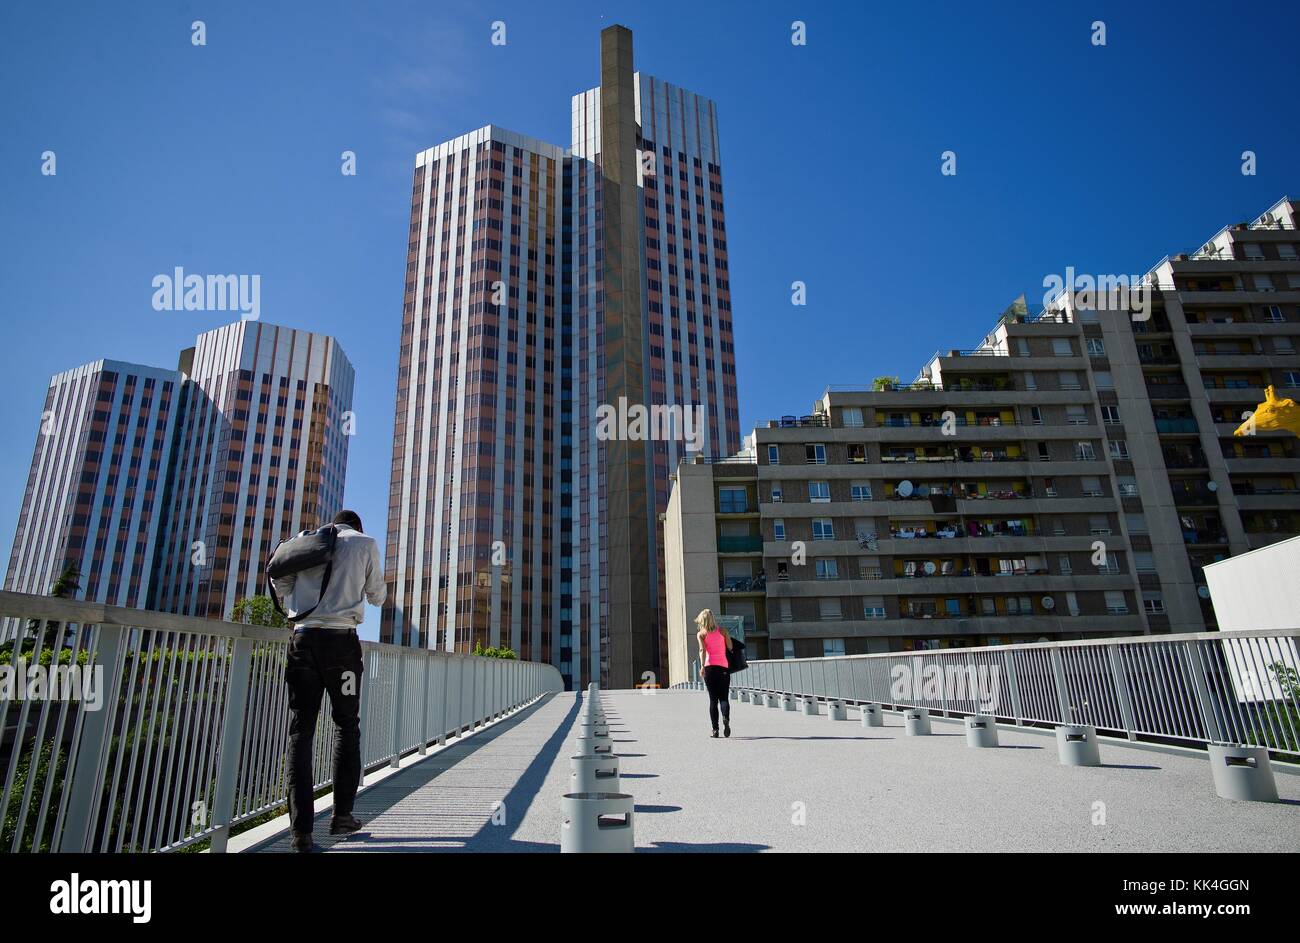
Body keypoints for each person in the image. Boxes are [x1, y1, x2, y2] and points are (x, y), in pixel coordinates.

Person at [271, 509, 386, 853]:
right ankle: (342, 816)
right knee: (347, 725)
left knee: (300, 730)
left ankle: (301, 832)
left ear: (333, 525)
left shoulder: (305, 543)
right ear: (357, 526)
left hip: (302, 642)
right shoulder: (365, 544)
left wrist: (301, 601)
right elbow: (377, 595)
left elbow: (280, 582)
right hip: (341, 647)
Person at [695, 609, 733, 738]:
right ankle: (726, 718)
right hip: (723, 667)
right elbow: (730, 647)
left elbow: (702, 650)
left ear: (702, 621)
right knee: (724, 698)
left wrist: (702, 667)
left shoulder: (701, 634)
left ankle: (715, 730)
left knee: (713, 700)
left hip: (709, 668)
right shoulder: (723, 631)